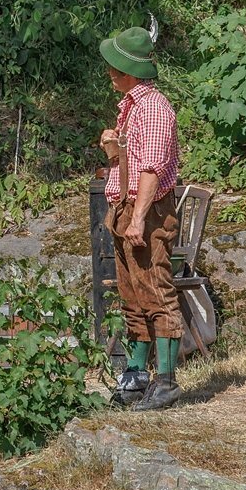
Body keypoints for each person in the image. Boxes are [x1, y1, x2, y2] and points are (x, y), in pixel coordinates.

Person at [98, 20, 181, 411]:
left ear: (129, 72)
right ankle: (135, 376)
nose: (109, 72)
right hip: (127, 209)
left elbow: (150, 170)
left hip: (146, 212)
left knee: (156, 292)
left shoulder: (153, 108)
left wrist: (137, 219)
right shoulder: (131, 108)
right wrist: (114, 149)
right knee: (132, 294)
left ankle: (166, 382)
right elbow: (130, 164)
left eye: (113, 66)